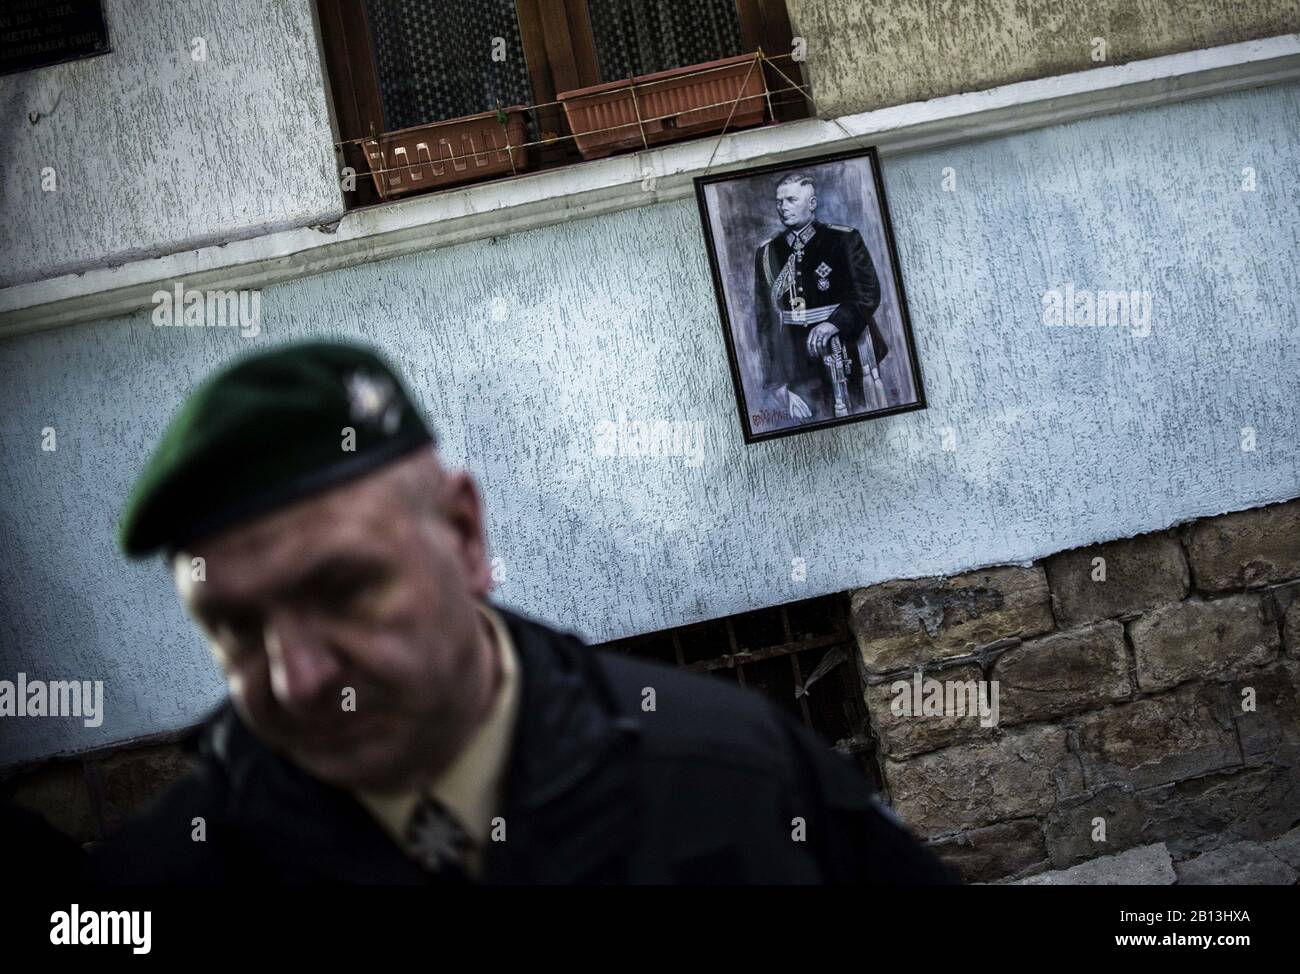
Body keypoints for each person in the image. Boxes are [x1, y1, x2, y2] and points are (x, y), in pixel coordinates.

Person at [90, 340, 955, 884]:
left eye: (344, 591)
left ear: (465, 536)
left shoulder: (735, 775)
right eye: (234, 627)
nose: (300, 677)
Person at [753, 171, 890, 423]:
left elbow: (868, 293)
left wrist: (834, 323)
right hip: (796, 362)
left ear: (812, 204)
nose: (783, 208)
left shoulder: (843, 239)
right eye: (779, 202)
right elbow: (765, 321)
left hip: (846, 348)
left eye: (791, 200)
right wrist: (777, 384)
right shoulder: (767, 252)